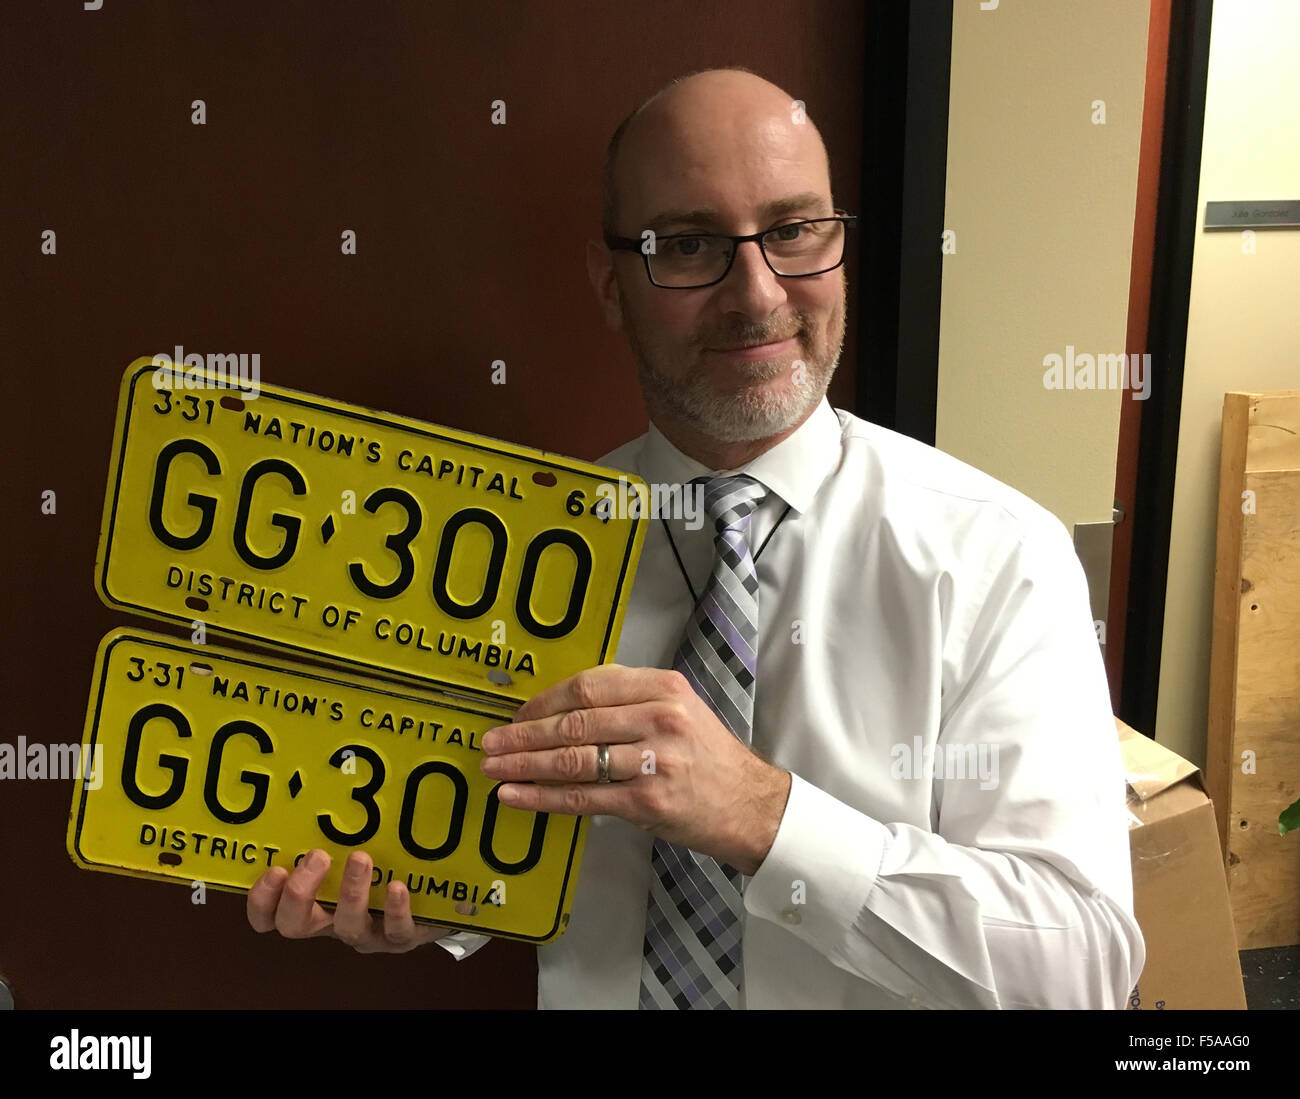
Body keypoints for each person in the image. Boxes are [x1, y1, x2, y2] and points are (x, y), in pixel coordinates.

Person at [247, 67, 1145, 1009]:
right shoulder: (522, 551)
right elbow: (504, 840)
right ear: (610, 285)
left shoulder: (1001, 558)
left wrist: (763, 816)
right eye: (687, 244)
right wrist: (430, 895)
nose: (756, 295)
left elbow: (1080, 971)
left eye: (794, 231)